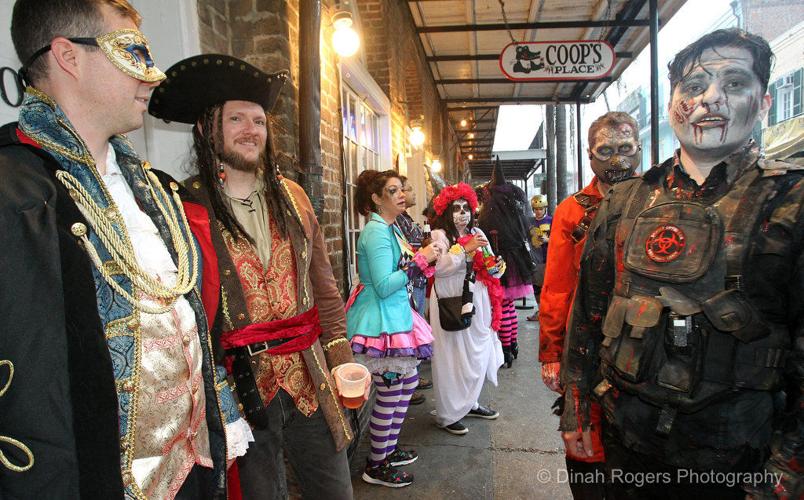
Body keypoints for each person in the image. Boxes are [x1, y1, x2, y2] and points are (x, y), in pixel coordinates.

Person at [0, 1, 247, 498]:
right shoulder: (13, 196)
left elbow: (193, 322)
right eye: (132, 53)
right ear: (68, 57)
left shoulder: (157, 191)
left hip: (193, 470)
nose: (152, 77)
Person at [560, 29, 803, 499]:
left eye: (734, 83)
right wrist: (576, 410)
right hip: (625, 443)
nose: (710, 98)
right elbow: (587, 318)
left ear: (765, 101)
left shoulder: (789, 201)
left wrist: (787, 471)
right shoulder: (625, 201)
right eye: (693, 86)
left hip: (740, 459)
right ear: (673, 102)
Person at [148, 54, 361, 499]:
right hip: (241, 388)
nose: (251, 130)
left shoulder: (294, 197)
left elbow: (324, 289)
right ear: (208, 129)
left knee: (336, 491)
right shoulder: (187, 208)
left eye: (259, 121)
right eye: (237, 119)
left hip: (309, 379)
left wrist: (341, 356)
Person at [539, 111, 641, 499]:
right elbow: (558, 287)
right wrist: (551, 351)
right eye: (606, 150)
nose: (617, 160)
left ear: (639, 148)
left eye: (625, 149)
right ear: (590, 154)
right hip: (588, 341)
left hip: (645, 344)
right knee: (588, 447)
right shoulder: (572, 210)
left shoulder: (659, 200)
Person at [346, 169, 443, 487]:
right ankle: (376, 464)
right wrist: (421, 260)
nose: (401, 194)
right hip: (380, 320)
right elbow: (385, 284)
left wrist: (424, 258)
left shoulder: (392, 229)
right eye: (393, 190)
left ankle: (387, 449)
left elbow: (403, 271)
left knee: (408, 382)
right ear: (376, 199)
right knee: (389, 390)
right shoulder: (375, 232)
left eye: (402, 188)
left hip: (397, 315)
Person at [428, 183, 505, 435]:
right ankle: (449, 413)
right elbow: (437, 268)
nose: (462, 214)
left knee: (475, 354)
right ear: (446, 212)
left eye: (466, 208)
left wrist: (496, 267)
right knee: (451, 357)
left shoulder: (478, 231)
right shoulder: (439, 235)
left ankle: (470, 403)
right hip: (450, 300)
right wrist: (464, 249)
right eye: (456, 208)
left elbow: (490, 262)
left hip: (478, 298)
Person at [477, 160, 539, 367]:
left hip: (500, 261)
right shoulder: (514, 203)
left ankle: (505, 350)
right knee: (509, 306)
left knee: (501, 307)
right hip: (516, 259)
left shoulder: (492, 208)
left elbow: (485, 234)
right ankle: (512, 344)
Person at [395, 176, 432, 406]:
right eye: (405, 189)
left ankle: (412, 379)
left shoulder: (406, 218)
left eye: (403, 189)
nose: (410, 193)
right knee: (410, 331)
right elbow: (406, 251)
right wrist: (425, 251)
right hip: (409, 280)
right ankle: (408, 380)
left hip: (416, 279)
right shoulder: (394, 222)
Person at [526, 194, 552, 321]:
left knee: (547, 287)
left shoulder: (551, 221)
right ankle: (540, 311)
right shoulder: (529, 222)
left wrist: (549, 240)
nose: (538, 211)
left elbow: (560, 239)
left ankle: (545, 312)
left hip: (548, 258)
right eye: (536, 209)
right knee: (536, 286)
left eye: (540, 209)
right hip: (534, 259)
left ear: (545, 208)